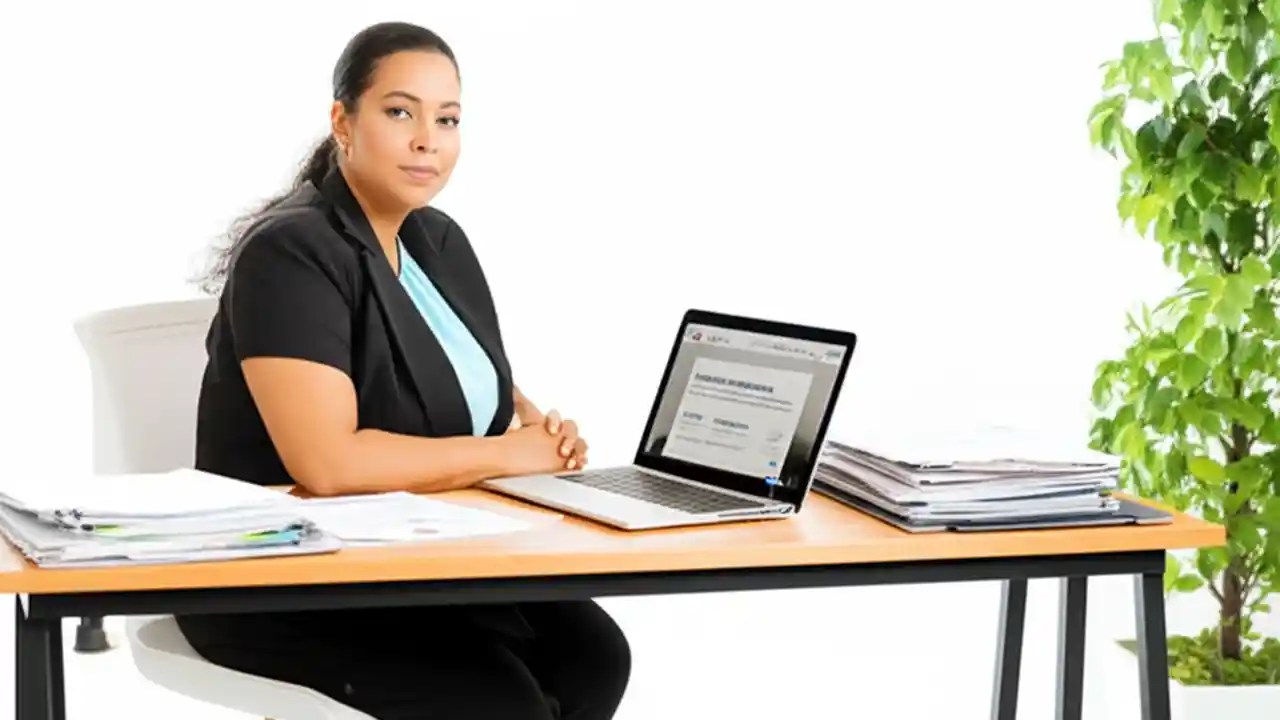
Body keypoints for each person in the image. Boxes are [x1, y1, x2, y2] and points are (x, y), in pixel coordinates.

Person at [173, 21, 631, 720]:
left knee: (593, 657)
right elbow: (327, 464)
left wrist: (541, 429)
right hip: (282, 581)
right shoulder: (290, 253)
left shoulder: (435, 239)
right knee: (499, 702)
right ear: (342, 121)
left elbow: (466, 374)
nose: (429, 140)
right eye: (400, 112)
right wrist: (509, 453)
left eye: (447, 119)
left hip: (415, 560)